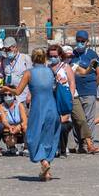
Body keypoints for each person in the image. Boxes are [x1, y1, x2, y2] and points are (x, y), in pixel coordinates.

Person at [25, 48, 61, 181]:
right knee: (49, 137)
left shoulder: (29, 73)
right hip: (52, 108)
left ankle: (44, 163)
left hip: (38, 109)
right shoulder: (51, 71)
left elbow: (17, 91)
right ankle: (47, 173)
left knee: (33, 137)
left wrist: (6, 88)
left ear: (32, 59)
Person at [69, 30, 99, 153]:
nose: (80, 43)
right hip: (75, 91)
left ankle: (90, 143)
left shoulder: (92, 54)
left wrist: (93, 86)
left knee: (88, 119)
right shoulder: (72, 55)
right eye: (78, 41)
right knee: (77, 119)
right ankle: (80, 145)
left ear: (87, 42)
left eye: (82, 41)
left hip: (89, 90)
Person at [0, 88, 27, 155]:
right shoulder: (1, 106)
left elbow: (25, 120)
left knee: (26, 127)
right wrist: (9, 127)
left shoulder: (19, 105)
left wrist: (19, 126)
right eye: (5, 95)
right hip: (9, 128)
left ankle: (26, 147)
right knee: (9, 137)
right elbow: (4, 120)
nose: (7, 96)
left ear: (14, 95)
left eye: (10, 94)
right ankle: (12, 147)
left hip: (20, 127)